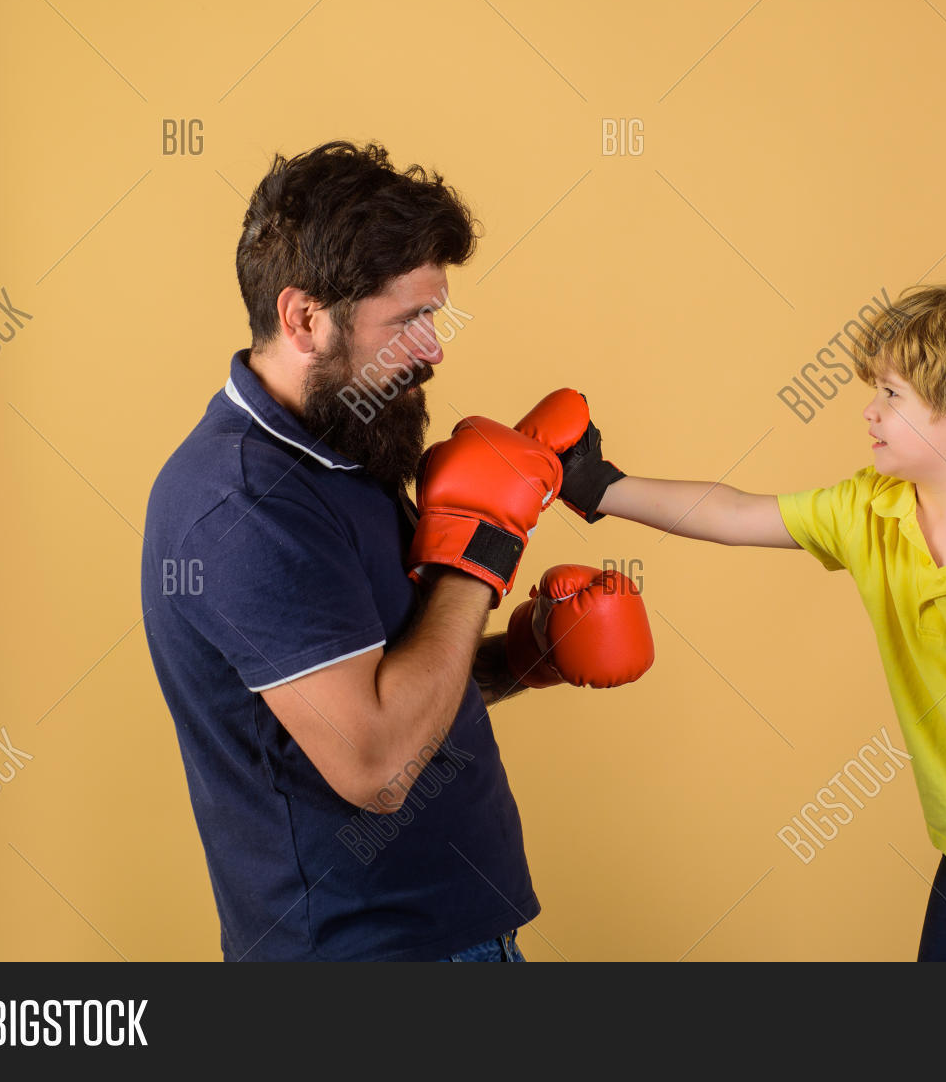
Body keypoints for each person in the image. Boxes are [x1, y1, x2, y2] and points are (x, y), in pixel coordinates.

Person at [541, 281, 946, 961]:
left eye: (892, 396)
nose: (869, 412)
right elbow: (737, 515)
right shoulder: (871, 510)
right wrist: (598, 486)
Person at [140, 140, 651, 961]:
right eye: (409, 319)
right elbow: (375, 764)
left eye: (435, 316)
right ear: (303, 318)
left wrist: (522, 658)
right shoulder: (241, 504)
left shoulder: (345, 443)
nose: (435, 348)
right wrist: (479, 551)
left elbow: (383, 680)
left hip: (446, 941)